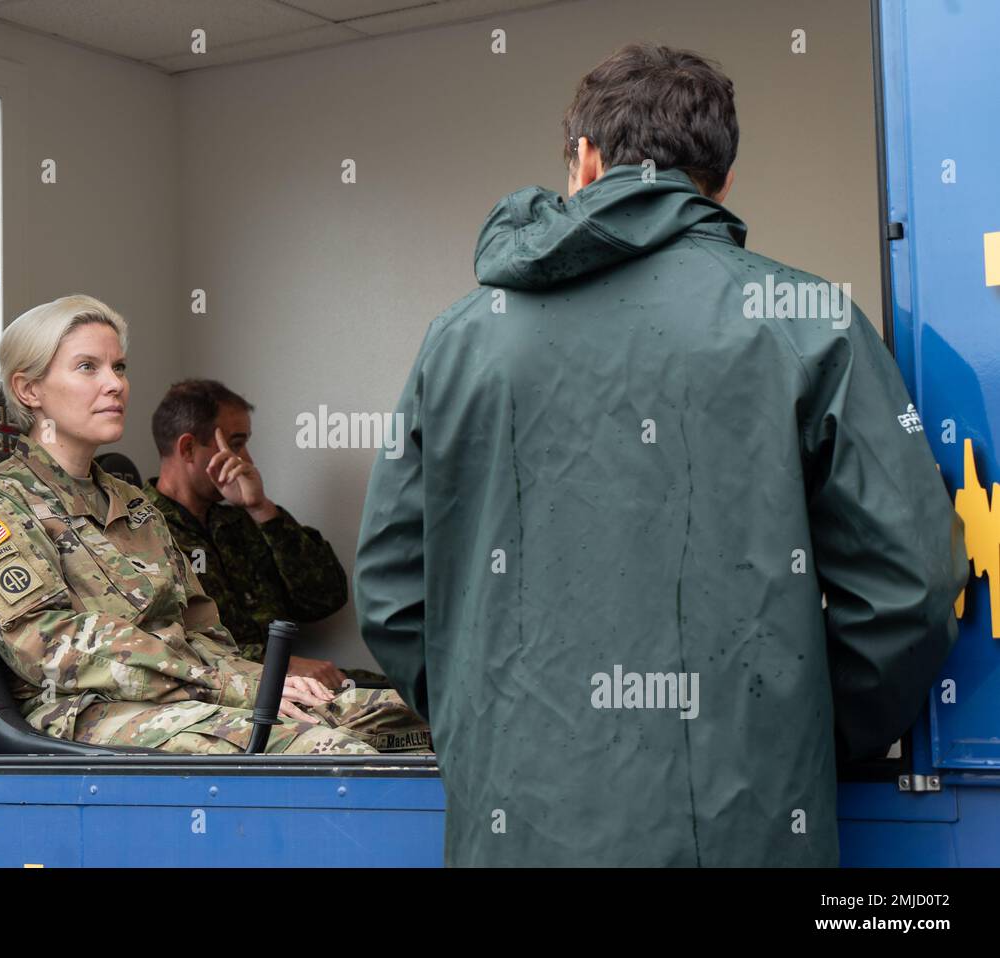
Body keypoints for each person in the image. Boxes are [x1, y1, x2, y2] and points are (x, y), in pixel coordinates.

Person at [354, 43, 968, 865]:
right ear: (721, 181)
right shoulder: (809, 323)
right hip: (743, 827)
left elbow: (393, 596)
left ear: (584, 160)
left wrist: (488, 726)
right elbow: (913, 585)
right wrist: (798, 733)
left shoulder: (459, 342)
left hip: (515, 826)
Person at [0, 294, 431, 755]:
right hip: (89, 712)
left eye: (119, 367)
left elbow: (202, 628)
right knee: (327, 748)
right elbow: (54, 648)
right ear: (29, 389)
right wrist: (238, 686)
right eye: (87, 367)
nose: (114, 383)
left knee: (423, 718)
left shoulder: (133, 503)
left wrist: (259, 684)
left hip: (195, 695)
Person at [145, 379, 379, 689]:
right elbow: (164, 648)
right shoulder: (141, 530)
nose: (248, 460)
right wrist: (274, 663)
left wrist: (261, 508)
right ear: (188, 448)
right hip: (227, 697)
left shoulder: (238, 523)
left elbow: (324, 598)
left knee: (418, 698)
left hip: (291, 687)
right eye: (236, 443)